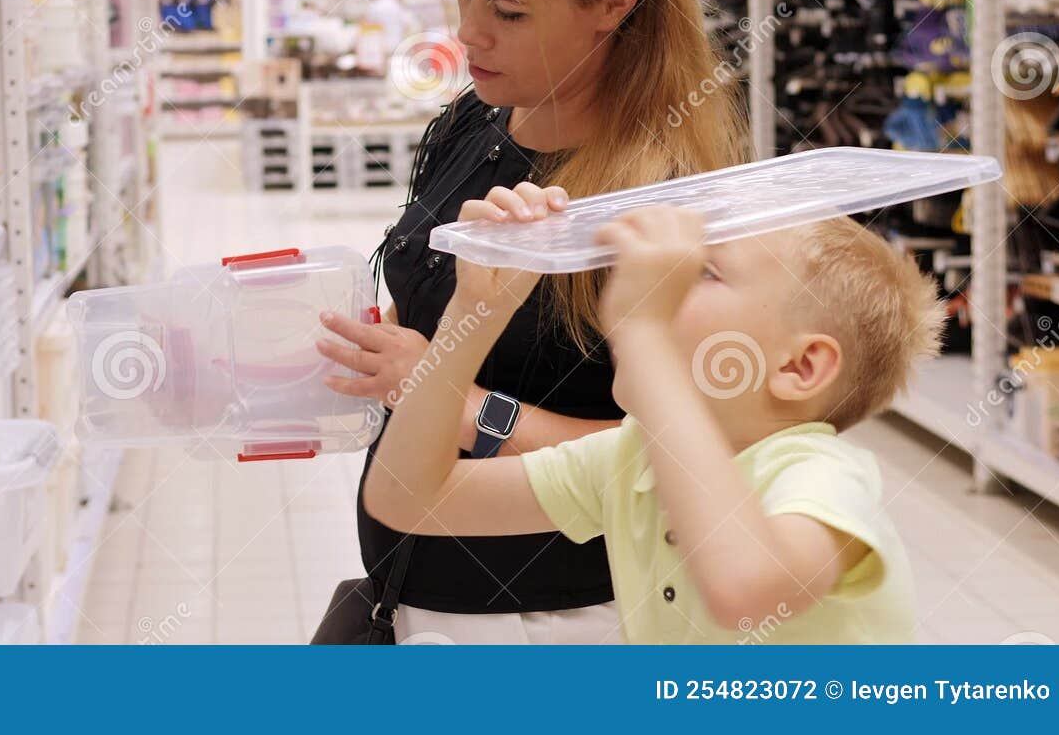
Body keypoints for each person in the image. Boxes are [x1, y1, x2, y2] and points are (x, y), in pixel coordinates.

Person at [311, 0, 748, 644]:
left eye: (507, 10)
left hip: (559, 618)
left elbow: (688, 453)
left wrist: (459, 398)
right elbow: (428, 309)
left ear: (613, 6)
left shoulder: (658, 204)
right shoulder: (474, 124)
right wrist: (374, 356)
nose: (468, 33)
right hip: (413, 592)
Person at [363, 196, 945, 643]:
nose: (652, 285)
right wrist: (476, 314)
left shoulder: (820, 475)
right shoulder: (632, 457)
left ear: (799, 366)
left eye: (704, 272)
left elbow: (745, 590)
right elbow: (409, 498)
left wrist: (643, 336)